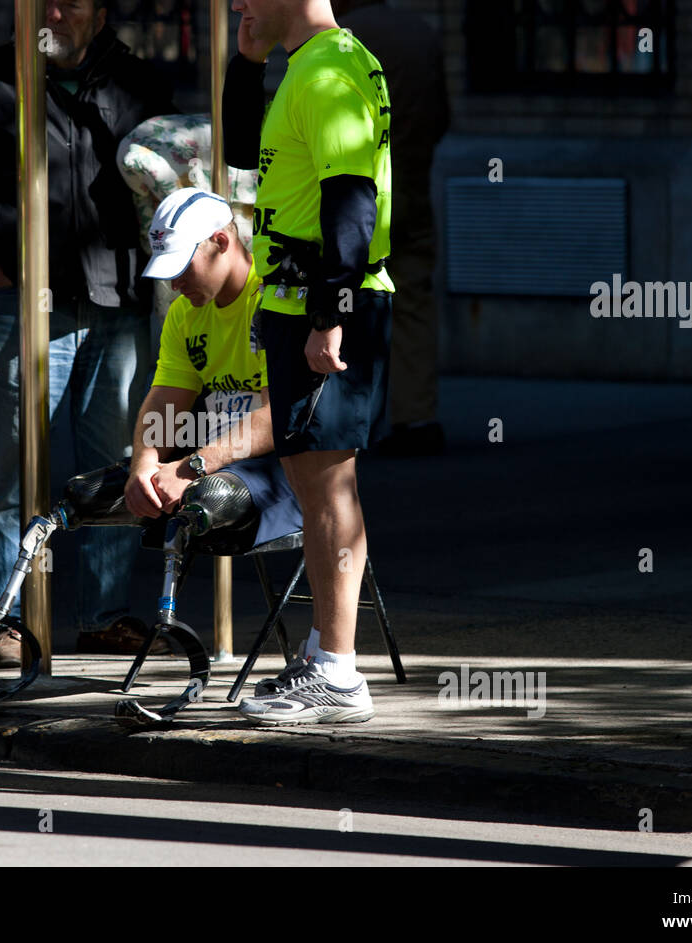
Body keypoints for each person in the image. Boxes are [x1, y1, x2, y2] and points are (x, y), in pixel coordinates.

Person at [0, 0, 175, 664]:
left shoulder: (138, 82)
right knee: (14, 465)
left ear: (98, 13)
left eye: (71, 0)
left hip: (118, 295)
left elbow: (167, 179)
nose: (53, 10)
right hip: (22, 299)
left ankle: (102, 615)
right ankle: (16, 620)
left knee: (116, 464)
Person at [222, 0, 392, 724]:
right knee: (310, 476)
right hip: (297, 304)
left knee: (327, 485)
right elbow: (238, 155)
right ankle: (329, 649)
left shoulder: (328, 71)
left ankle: (340, 672)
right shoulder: (305, 67)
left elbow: (351, 199)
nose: (239, 4)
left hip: (323, 307)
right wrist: (244, 63)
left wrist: (331, 317)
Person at [123, 189, 301, 548]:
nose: (174, 285)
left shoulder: (273, 300)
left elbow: (277, 418)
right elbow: (165, 403)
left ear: (221, 242)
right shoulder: (183, 313)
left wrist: (189, 468)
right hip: (211, 454)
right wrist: (144, 464)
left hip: (285, 464)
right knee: (89, 492)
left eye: (183, 267)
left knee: (206, 495)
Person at [333, 0, 449, 457]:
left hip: (359, 192)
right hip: (413, 182)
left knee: (349, 300)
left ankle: (354, 420)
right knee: (414, 299)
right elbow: (442, 116)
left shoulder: (340, 38)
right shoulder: (420, 30)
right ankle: (416, 416)